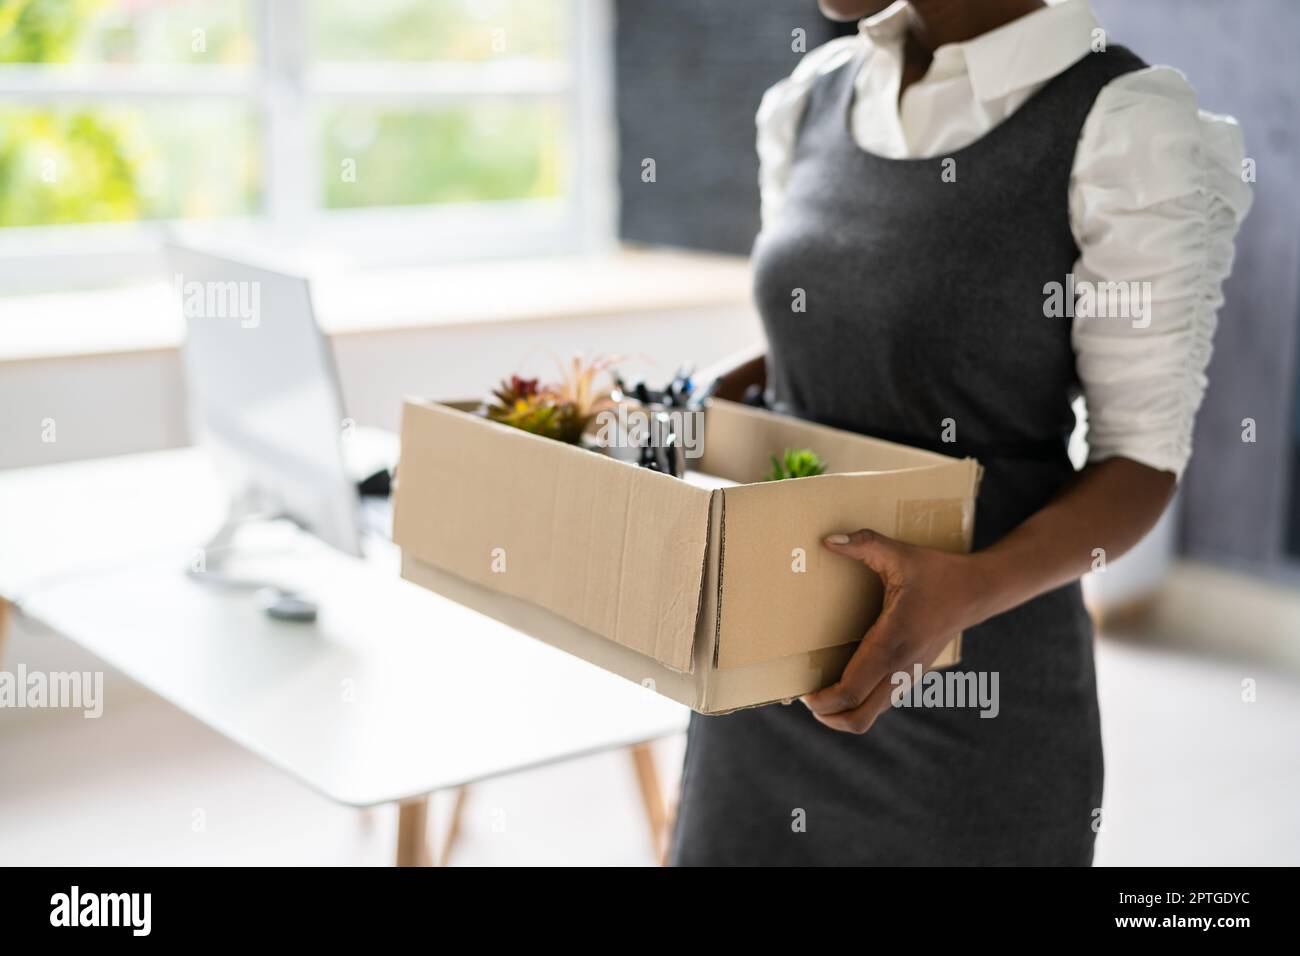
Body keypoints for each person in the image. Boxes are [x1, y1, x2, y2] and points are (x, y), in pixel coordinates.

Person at [671, 0, 1252, 865]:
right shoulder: (815, 93)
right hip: (764, 680)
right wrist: (717, 391)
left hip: (973, 709)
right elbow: (849, 314)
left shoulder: (1123, 126)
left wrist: (967, 589)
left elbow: (1141, 460)